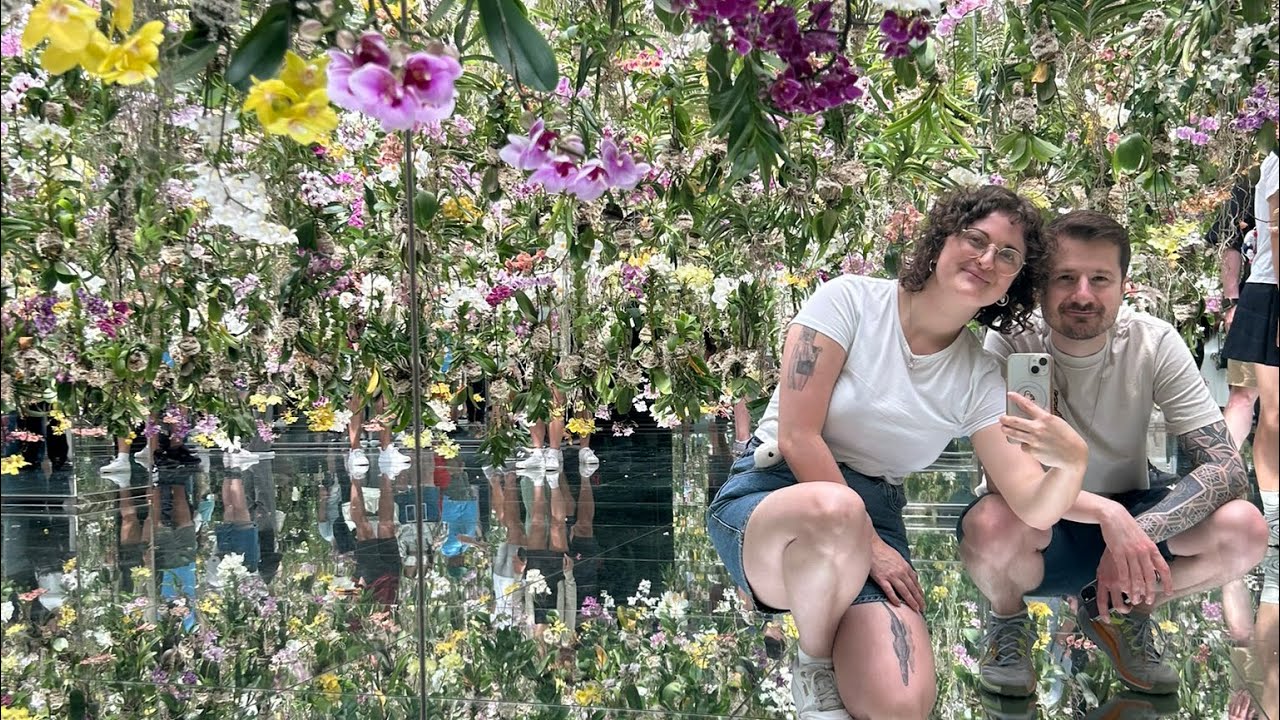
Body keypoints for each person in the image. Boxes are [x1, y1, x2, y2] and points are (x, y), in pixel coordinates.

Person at [707, 186, 1089, 720]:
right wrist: (867, 544)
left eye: (1007, 255)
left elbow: (1034, 505)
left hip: (872, 515)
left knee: (902, 704)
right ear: (940, 243)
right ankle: (815, 665)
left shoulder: (976, 375)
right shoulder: (849, 300)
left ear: (1014, 282)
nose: (986, 259)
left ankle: (836, 615)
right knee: (836, 511)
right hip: (776, 497)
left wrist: (1071, 463)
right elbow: (798, 436)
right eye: (974, 240)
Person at [959, 210, 1269, 699]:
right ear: (1039, 287)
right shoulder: (1011, 343)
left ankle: (1122, 611)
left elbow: (1226, 468)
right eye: (1065, 278)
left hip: (1133, 513)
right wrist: (1106, 515)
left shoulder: (1153, 340)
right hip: (1039, 524)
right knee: (990, 522)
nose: (1082, 294)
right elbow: (1005, 480)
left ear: (1124, 285)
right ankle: (1007, 620)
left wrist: (1136, 530)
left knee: (1245, 529)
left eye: (1099, 278)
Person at [1223, 147, 1279, 552]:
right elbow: (1276, 230)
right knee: (1266, 410)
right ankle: (1272, 516)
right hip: (1270, 293)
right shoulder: (1275, 161)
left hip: (1265, 293)